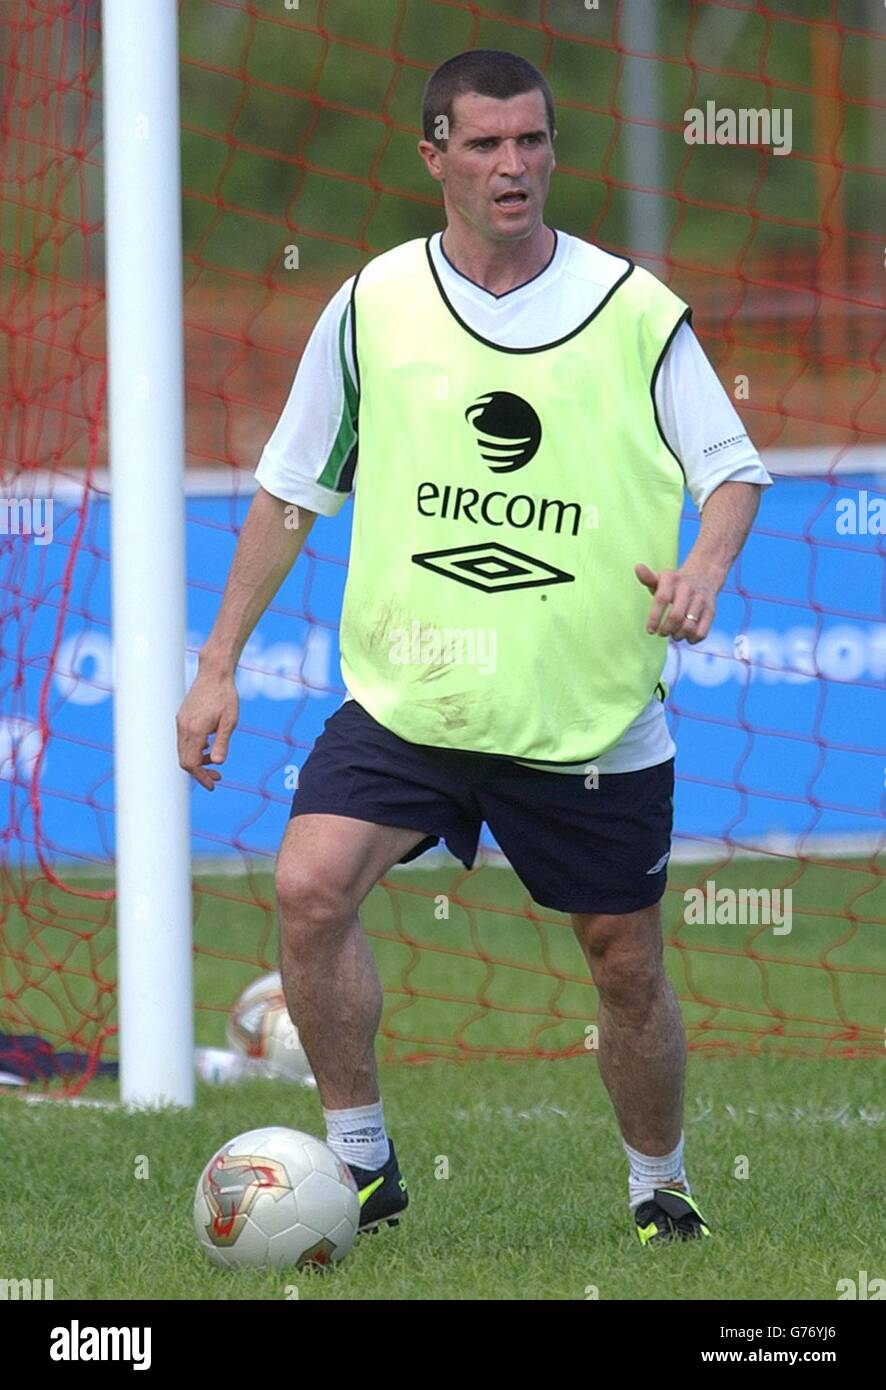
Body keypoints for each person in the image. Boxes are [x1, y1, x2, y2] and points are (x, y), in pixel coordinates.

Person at [177, 49, 772, 1245]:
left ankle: (659, 1188)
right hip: (412, 698)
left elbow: (731, 470)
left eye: (531, 141)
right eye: (486, 143)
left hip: (584, 715)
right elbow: (291, 491)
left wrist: (703, 569)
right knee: (307, 887)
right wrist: (217, 663)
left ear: (552, 151)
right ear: (433, 156)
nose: (513, 164)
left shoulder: (632, 310)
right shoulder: (372, 303)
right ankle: (362, 1167)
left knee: (623, 966)